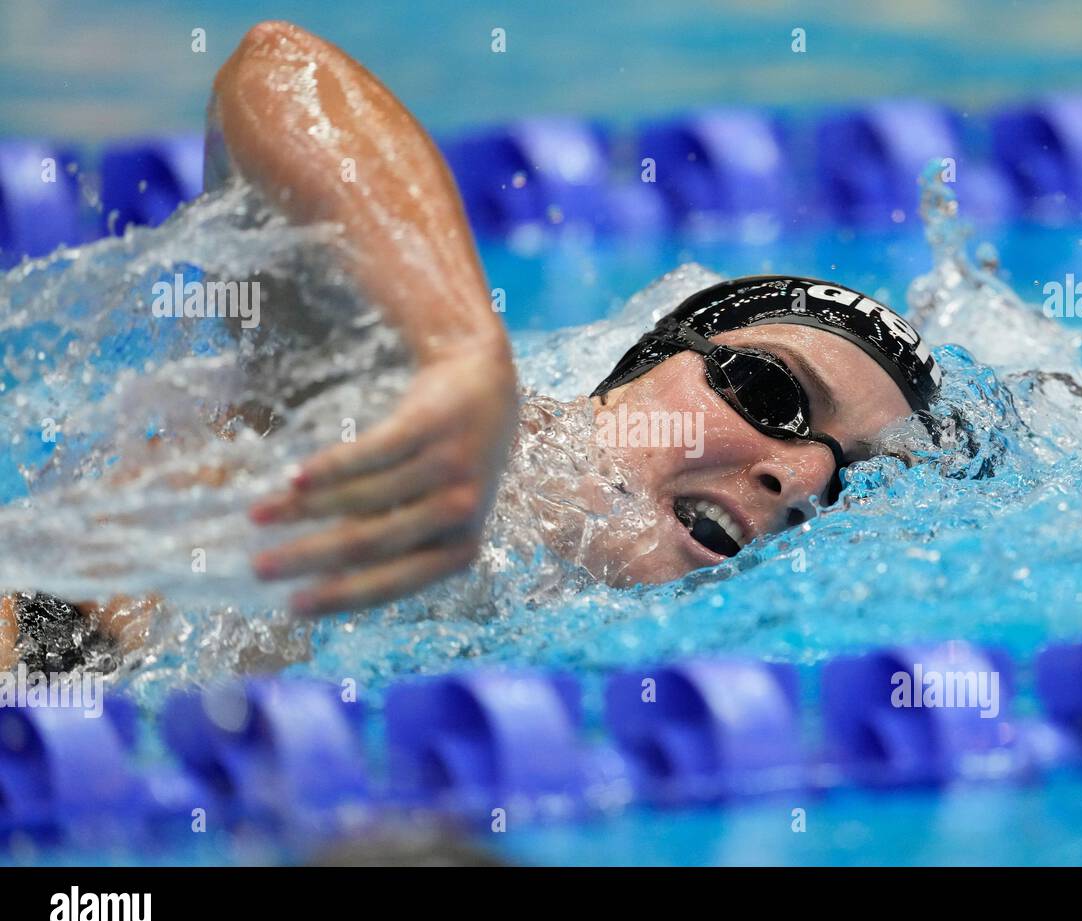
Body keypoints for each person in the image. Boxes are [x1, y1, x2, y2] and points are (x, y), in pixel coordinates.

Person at [0, 21, 940, 670]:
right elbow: (276, 73)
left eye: (848, 477)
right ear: (644, 366)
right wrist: (457, 352)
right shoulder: (406, 418)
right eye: (773, 394)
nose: (804, 480)